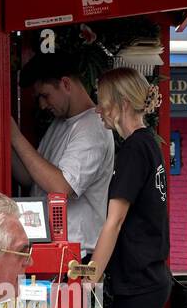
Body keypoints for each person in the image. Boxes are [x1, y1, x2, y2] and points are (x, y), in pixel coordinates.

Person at [86, 67, 171, 308]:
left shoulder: (133, 150)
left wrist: (91, 278)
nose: (98, 109)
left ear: (122, 104)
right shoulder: (148, 143)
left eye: (103, 102)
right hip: (148, 277)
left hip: (137, 283)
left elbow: (115, 221)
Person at [10, 52, 115, 258]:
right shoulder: (61, 123)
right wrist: (5, 139)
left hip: (77, 254)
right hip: (51, 248)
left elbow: (61, 187)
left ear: (66, 84)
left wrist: (16, 137)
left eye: (45, 95)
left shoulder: (92, 128)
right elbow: (31, 178)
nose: (42, 105)